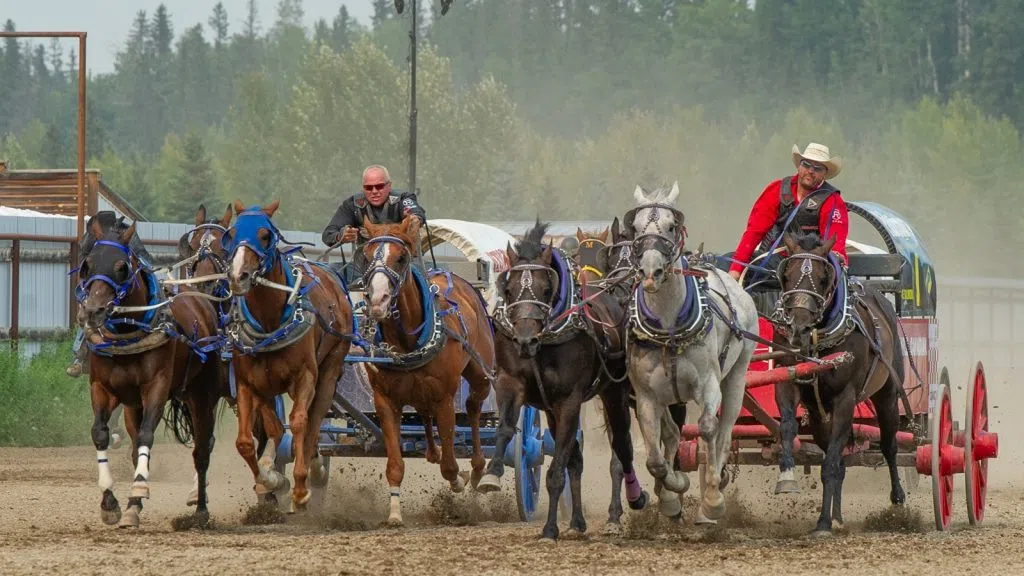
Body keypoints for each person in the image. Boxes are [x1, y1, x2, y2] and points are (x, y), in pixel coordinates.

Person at [721, 142, 849, 315]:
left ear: (825, 174)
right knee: (722, 263)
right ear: (799, 165)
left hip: (812, 266)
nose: (810, 170)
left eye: (817, 168)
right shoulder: (777, 190)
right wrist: (735, 270)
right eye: (807, 165)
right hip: (777, 261)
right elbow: (754, 232)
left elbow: (835, 243)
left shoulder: (832, 201)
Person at [66, 212, 155, 379]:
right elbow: (83, 266)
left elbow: (146, 261)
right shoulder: (91, 239)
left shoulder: (126, 235)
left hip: (126, 285)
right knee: (88, 315)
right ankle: (80, 356)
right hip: (97, 287)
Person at [321, 165, 427, 286]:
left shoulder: (403, 199)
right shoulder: (352, 205)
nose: (374, 191)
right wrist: (341, 236)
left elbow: (416, 212)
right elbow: (328, 234)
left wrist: (414, 219)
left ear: (389, 185)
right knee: (327, 273)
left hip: (404, 264)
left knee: (428, 286)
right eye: (369, 188)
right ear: (363, 188)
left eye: (380, 186)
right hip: (366, 265)